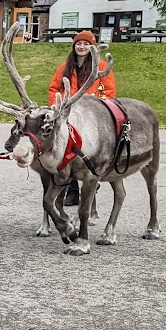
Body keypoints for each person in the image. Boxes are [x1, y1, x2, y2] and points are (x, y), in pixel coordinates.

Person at [48, 30, 116, 204]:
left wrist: (98, 106)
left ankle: (91, 182)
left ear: (92, 47)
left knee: (88, 151)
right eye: (79, 43)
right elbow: (53, 88)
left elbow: (109, 91)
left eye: (86, 44)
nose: (82, 47)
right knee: (67, 150)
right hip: (69, 114)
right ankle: (72, 191)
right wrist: (55, 107)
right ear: (74, 46)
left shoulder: (101, 67)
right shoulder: (65, 67)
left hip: (92, 115)